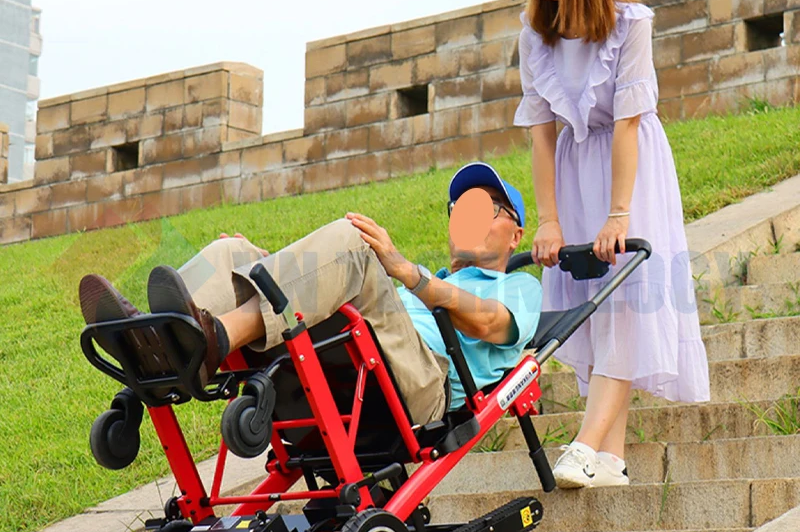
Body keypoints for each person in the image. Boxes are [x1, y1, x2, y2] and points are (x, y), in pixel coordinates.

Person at [79, 162, 542, 426]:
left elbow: (487, 323)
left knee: (355, 241)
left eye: (488, 207)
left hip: (423, 387)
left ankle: (213, 337)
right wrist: (253, 264)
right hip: (356, 356)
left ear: (516, 233)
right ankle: (153, 341)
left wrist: (406, 272)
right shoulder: (423, 281)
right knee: (231, 251)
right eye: (461, 205)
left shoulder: (520, 287)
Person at [514, 0, 710, 489]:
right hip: (575, 169)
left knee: (625, 298)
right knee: (594, 303)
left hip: (630, 170)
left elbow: (628, 123)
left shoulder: (631, 23)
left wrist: (619, 212)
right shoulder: (534, 36)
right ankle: (611, 459)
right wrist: (548, 218)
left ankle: (584, 443)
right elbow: (541, 135)